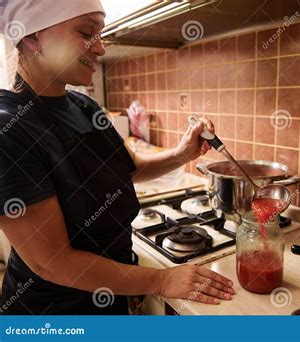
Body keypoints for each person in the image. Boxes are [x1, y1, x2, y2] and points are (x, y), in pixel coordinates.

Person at [0, 0, 234, 314]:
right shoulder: (9, 127)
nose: (100, 49)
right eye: (86, 32)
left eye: (101, 34)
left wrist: (182, 154)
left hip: (110, 295)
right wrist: (159, 281)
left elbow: (128, 169)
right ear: (31, 36)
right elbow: (52, 261)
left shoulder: (85, 107)